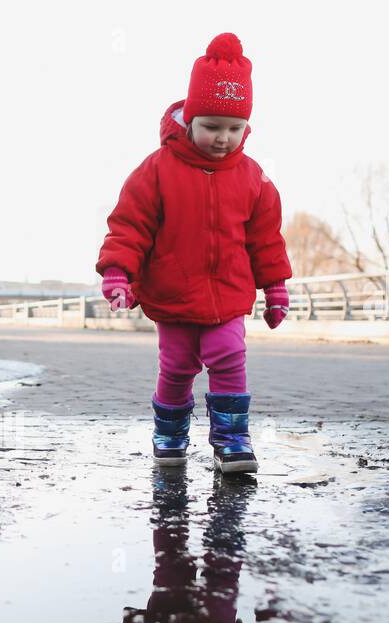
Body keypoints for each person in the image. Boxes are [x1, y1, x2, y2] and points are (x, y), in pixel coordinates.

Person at [95, 32, 292, 472]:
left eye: (234, 128)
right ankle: (169, 434)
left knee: (229, 359)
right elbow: (129, 225)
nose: (223, 138)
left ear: (247, 128)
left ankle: (232, 440)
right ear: (189, 120)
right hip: (173, 294)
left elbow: (266, 238)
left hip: (227, 296)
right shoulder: (157, 170)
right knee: (178, 367)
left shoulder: (253, 178)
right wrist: (117, 273)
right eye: (211, 127)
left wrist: (276, 288)